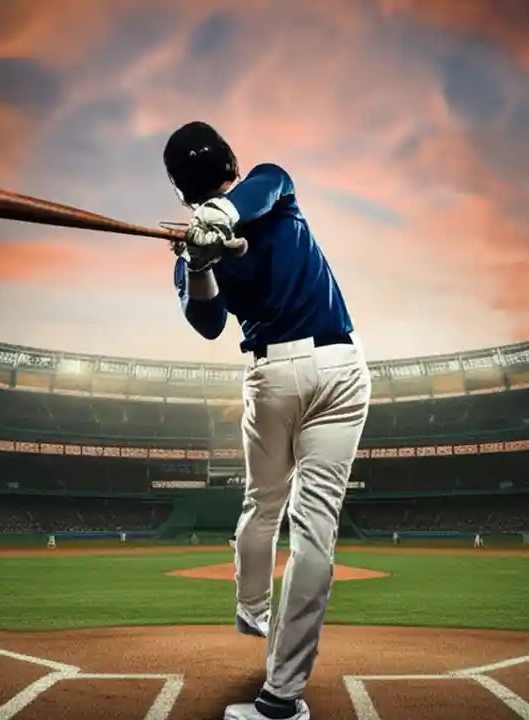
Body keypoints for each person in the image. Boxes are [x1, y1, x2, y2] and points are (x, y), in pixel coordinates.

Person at [165, 120, 371, 720]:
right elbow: (208, 320)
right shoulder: (236, 214)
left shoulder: (265, 187)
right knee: (314, 531)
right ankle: (281, 693)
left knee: (264, 503)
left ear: (181, 190)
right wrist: (200, 262)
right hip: (339, 370)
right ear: (231, 160)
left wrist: (212, 231)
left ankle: (252, 610)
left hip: (278, 376)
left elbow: (208, 319)